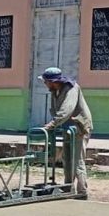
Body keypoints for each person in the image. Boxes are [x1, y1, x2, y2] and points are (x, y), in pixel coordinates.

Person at [40, 67, 94, 198]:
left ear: (52, 81)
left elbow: (66, 110)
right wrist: (52, 125)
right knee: (67, 158)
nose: (45, 84)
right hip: (67, 127)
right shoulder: (54, 91)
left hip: (79, 127)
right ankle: (68, 187)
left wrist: (52, 124)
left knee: (77, 160)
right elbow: (54, 109)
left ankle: (82, 192)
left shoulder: (71, 88)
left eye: (46, 82)